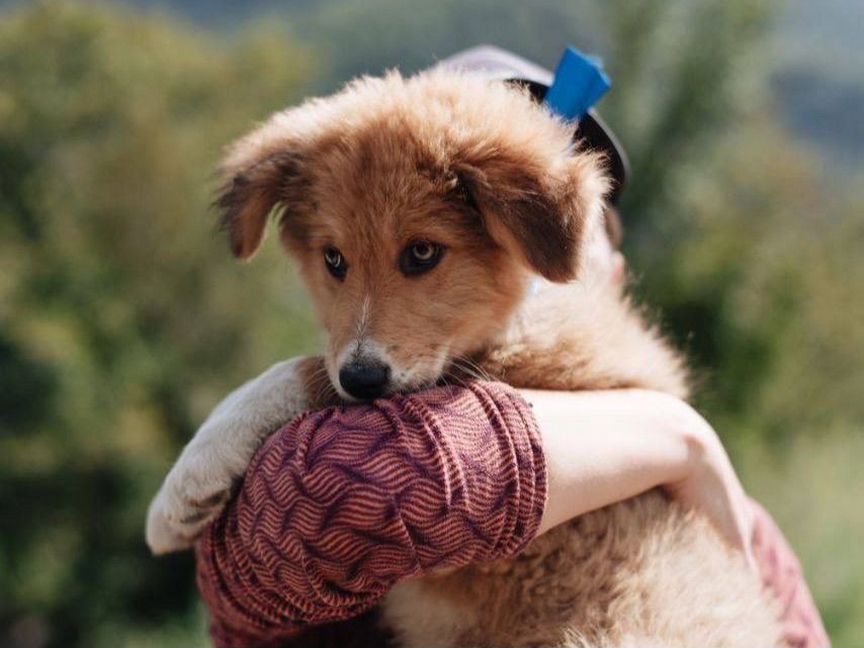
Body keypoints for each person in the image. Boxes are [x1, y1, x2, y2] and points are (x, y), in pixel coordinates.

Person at [193, 214, 829, 648]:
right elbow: (337, 498)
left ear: (614, 274)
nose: (519, 258)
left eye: (557, 227)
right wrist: (668, 435)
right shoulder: (331, 434)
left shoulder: (743, 528)